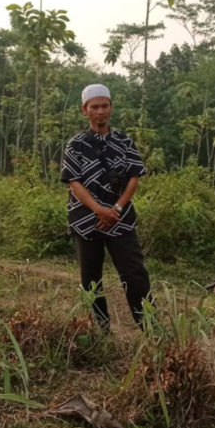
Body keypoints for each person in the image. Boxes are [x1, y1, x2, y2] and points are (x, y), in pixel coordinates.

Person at [61, 84, 151, 332]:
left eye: (104, 106)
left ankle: (150, 327)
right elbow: (74, 182)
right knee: (90, 278)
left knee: (135, 274)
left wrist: (116, 209)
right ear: (85, 110)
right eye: (94, 107)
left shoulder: (124, 141)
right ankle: (100, 328)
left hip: (120, 219)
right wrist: (99, 210)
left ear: (111, 108)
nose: (100, 111)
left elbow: (134, 177)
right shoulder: (75, 145)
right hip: (85, 219)